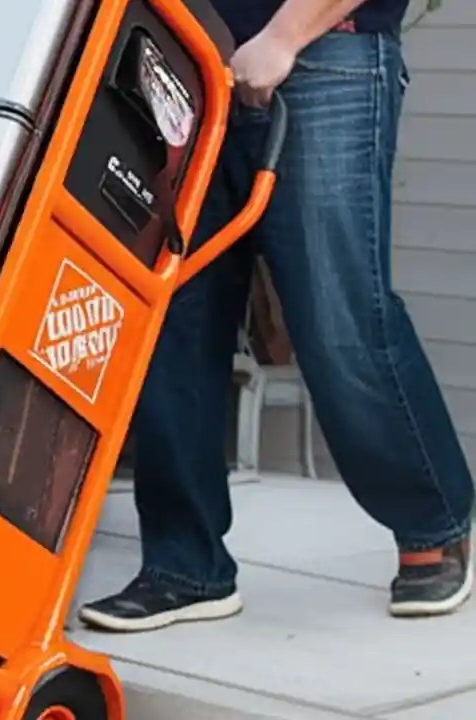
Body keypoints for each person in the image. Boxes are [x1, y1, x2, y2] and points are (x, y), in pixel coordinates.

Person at [79, 0, 475, 632]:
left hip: (325, 52)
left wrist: (284, 35)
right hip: (184, 54)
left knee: (337, 313)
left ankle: (432, 524)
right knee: (176, 316)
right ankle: (186, 565)